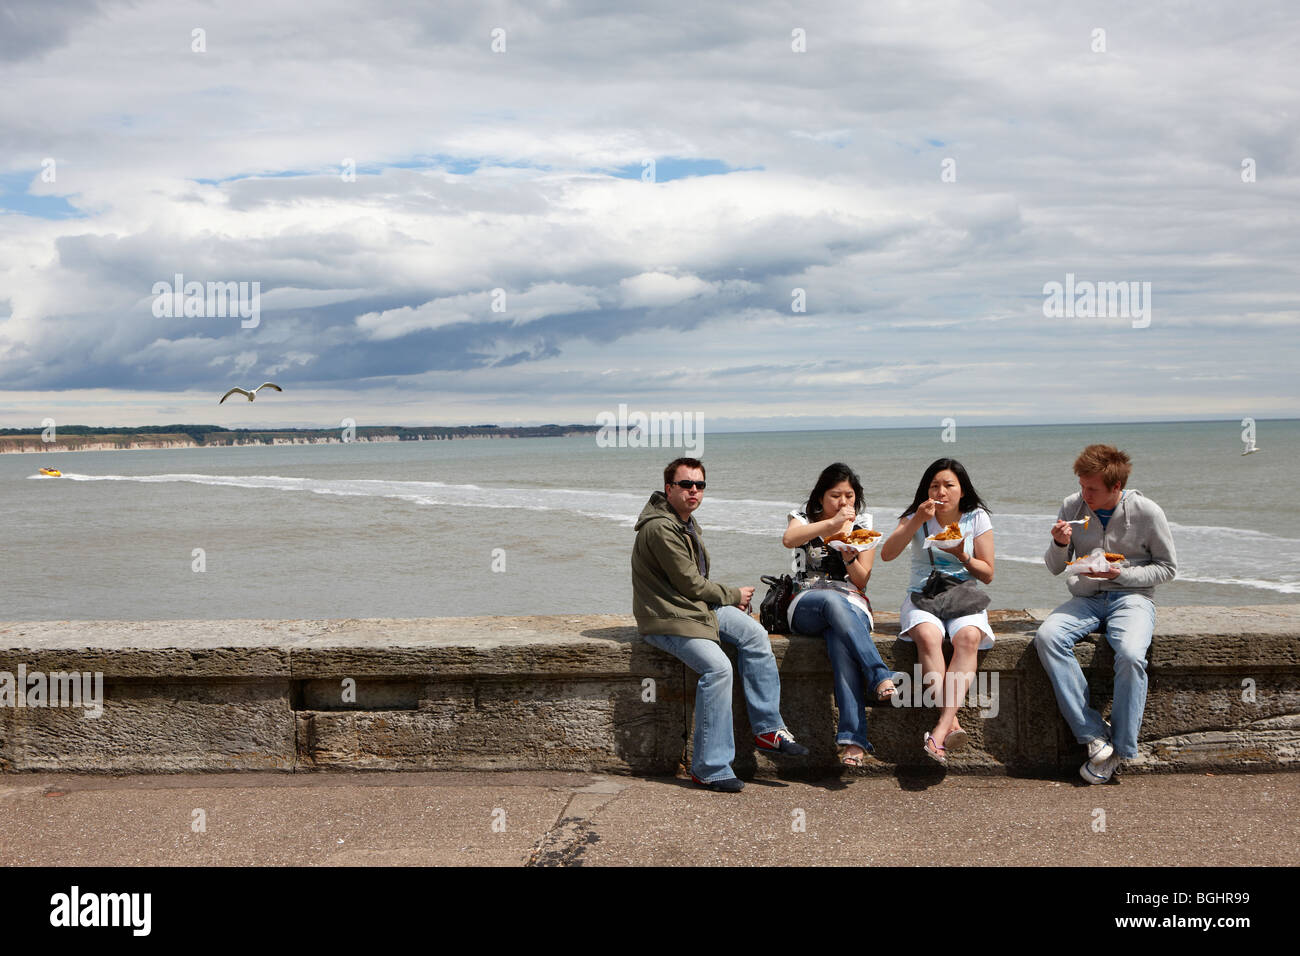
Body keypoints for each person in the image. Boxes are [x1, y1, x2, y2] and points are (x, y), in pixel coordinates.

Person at [632, 457, 808, 792]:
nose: (694, 491)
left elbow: (694, 586)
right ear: (669, 488)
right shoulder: (660, 528)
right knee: (718, 668)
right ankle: (709, 767)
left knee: (755, 634)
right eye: (686, 485)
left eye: (699, 485)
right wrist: (732, 594)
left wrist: (727, 600)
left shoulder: (685, 522)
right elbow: (690, 583)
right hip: (667, 618)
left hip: (693, 609)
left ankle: (768, 730)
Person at [1034, 444, 1177, 784]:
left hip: (1132, 597)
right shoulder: (1072, 506)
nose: (1085, 494)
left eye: (1092, 488)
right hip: (1086, 597)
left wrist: (1121, 575)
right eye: (1082, 485)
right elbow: (1055, 568)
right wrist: (1057, 544)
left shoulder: (1146, 512)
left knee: (1129, 654)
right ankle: (1094, 734)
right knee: (1047, 637)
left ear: (1116, 487)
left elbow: (1168, 569)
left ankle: (1122, 749)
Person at [783, 462, 899, 768]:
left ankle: (853, 741)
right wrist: (832, 524)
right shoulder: (802, 518)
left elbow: (861, 581)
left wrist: (849, 558)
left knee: (839, 640)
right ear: (821, 496)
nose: (843, 502)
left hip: (852, 604)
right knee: (831, 603)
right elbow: (789, 540)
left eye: (849, 496)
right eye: (836, 495)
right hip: (806, 602)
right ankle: (879, 674)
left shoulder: (863, 528)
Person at [879, 458, 995, 764]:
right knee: (929, 636)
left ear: (962, 490)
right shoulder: (915, 516)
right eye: (934, 485)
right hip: (922, 594)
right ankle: (950, 723)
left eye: (948, 485)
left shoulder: (976, 517)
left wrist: (962, 556)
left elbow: (987, 574)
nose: (941, 491)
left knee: (968, 637)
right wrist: (917, 520)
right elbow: (887, 554)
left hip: (963, 596)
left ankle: (941, 727)